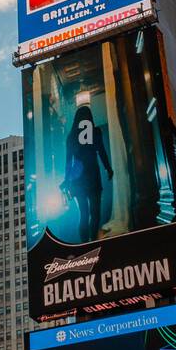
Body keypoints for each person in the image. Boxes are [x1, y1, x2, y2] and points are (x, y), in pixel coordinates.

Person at [61, 102, 113, 244]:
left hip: (78, 180)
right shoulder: (95, 132)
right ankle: (93, 241)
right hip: (93, 176)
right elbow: (101, 151)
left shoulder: (71, 136)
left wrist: (66, 180)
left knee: (83, 214)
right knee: (95, 213)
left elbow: (68, 162)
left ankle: (84, 245)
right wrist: (108, 168)